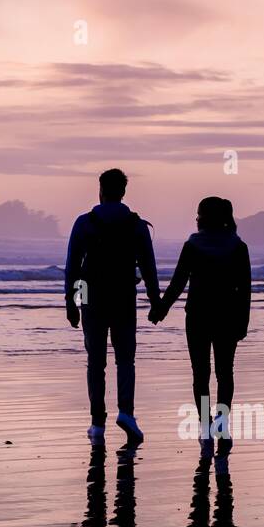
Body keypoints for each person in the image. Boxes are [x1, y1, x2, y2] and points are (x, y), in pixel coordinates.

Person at [151, 197, 251, 473]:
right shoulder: (238, 247)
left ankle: (206, 426)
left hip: (198, 316)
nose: (196, 218)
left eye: (198, 214)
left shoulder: (193, 245)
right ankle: (222, 425)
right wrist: (243, 321)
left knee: (201, 374)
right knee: (225, 373)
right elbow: (245, 290)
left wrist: (161, 308)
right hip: (228, 316)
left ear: (205, 218)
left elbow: (178, 283)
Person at [65, 168, 160, 444]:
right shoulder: (137, 225)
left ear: (101, 189)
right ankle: (126, 413)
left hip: (91, 297)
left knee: (95, 360)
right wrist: (155, 301)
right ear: (123, 192)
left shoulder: (85, 223)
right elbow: (149, 268)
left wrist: (71, 304)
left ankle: (97, 423)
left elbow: (72, 268)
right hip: (123, 297)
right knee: (125, 358)